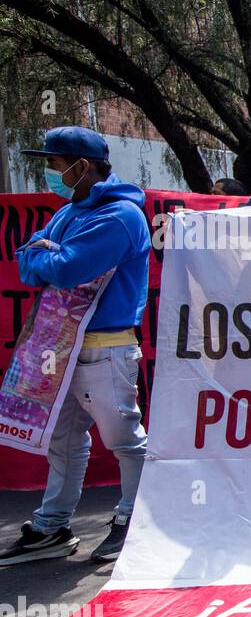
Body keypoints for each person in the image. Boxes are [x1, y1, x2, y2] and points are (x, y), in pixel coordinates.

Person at [0, 127, 151, 566]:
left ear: (80, 167)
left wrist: (46, 256)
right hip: (59, 346)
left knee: (125, 440)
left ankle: (133, 519)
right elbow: (26, 260)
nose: (49, 173)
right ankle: (52, 526)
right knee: (61, 440)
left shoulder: (121, 215)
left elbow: (66, 269)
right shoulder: (70, 212)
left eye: (53, 164)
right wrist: (45, 256)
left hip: (105, 347)